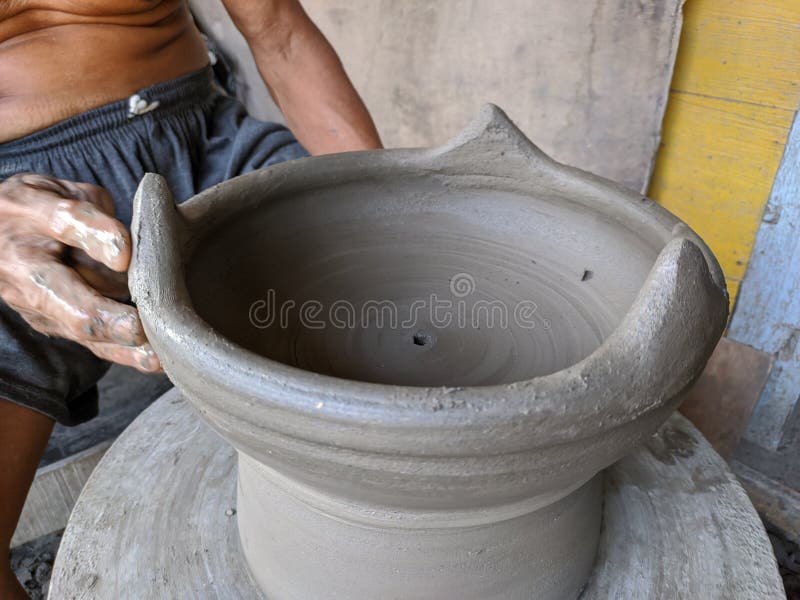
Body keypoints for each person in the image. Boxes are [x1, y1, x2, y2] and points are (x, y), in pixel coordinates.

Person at [0, 1, 381, 596]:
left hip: (200, 142)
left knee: (387, 320)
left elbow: (276, 30)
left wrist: (387, 211)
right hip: (16, 206)